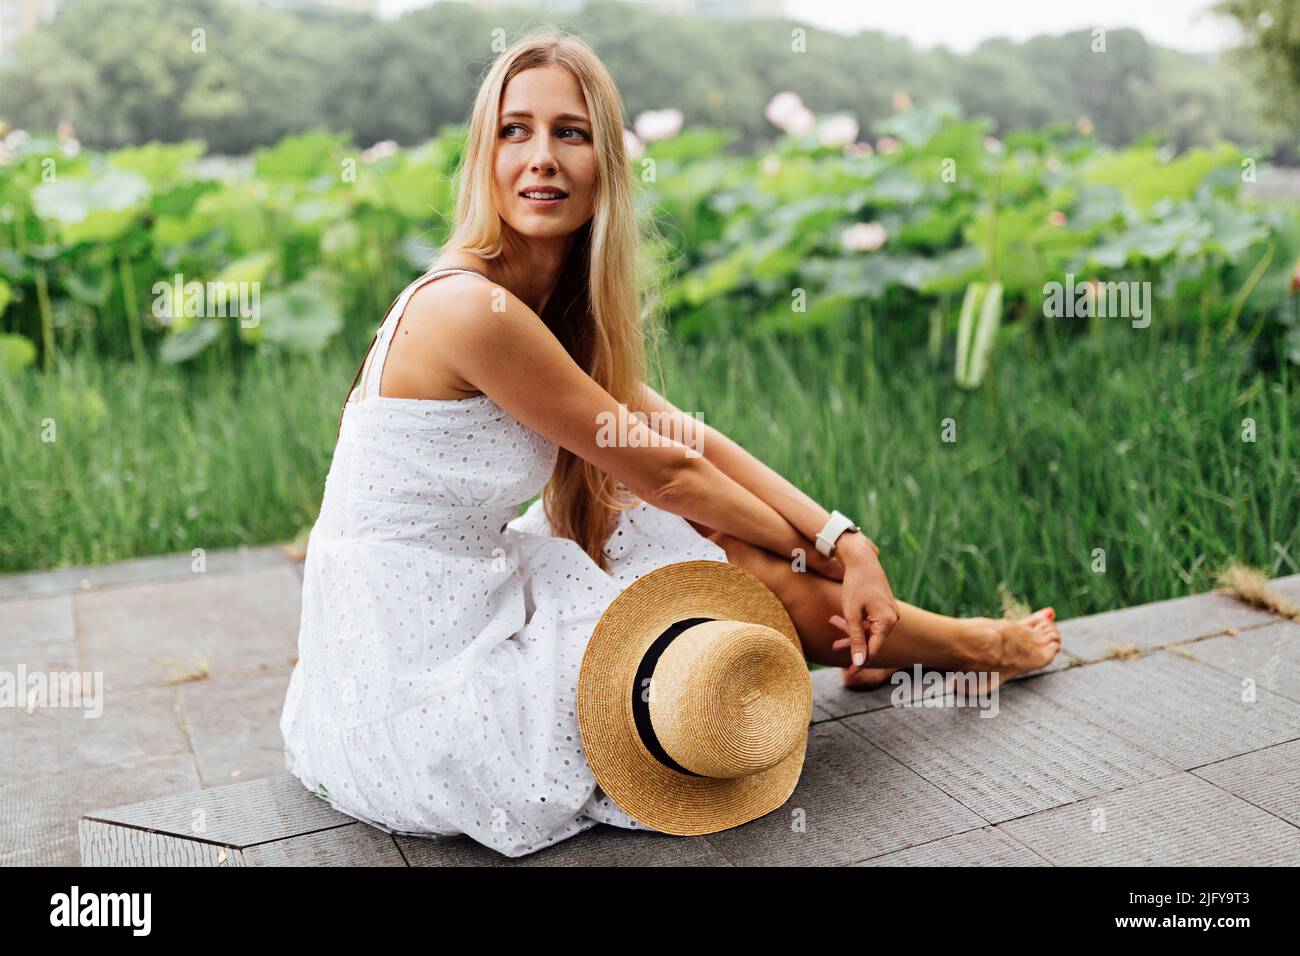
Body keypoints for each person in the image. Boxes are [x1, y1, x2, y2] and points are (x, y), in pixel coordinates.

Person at [280, 27, 1060, 859]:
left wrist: (844, 538)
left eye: (570, 133)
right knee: (726, 570)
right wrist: (831, 559)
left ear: (605, 164)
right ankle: (971, 644)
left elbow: (692, 437)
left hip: (469, 589)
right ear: (485, 156)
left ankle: (900, 642)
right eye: (516, 130)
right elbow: (672, 471)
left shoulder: (548, 313)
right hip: (418, 658)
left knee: (720, 559)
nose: (540, 157)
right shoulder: (472, 309)